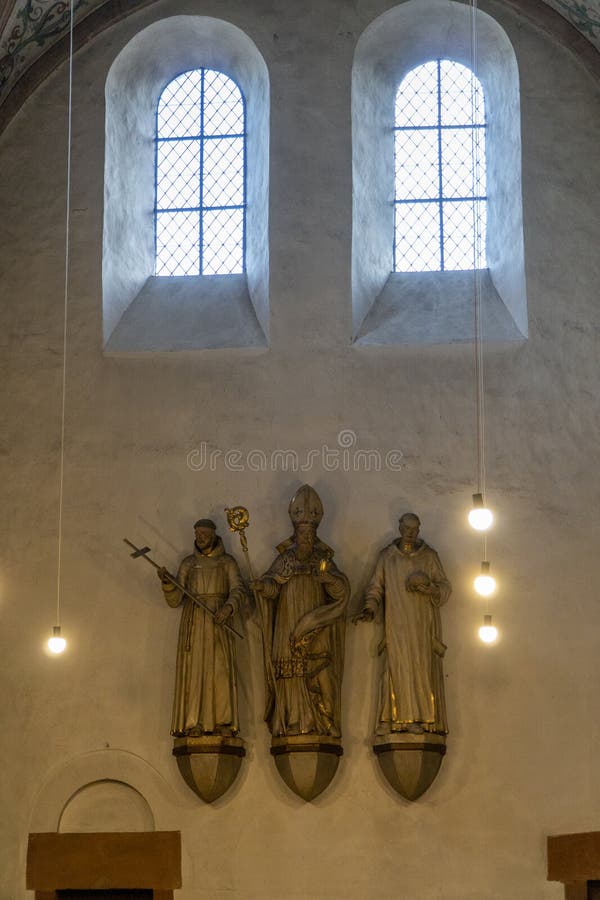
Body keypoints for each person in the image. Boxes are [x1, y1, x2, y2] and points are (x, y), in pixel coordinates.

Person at [252, 485, 350, 738]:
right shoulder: (284, 560)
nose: (306, 539)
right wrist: (262, 586)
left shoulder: (322, 560)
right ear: (295, 535)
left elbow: (341, 592)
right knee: (290, 673)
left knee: (319, 672)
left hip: (315, 625)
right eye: (302, 534)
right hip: (288, 621)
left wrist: (328, 578)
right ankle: (292, 721)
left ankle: (320, 722)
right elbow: (273, 588)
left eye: (310, 535)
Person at [354, 513, 451, 735]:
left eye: (415, 529)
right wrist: (369, 608)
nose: (411, 533)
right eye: (407, 528)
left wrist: (431, 589)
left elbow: (445, 586)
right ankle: (392, 719)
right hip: (396, 625)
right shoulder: (388, 557)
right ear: (400, 528)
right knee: (395, 670)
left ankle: (421, 718)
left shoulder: (429, 556)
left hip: (421, 626)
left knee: (420, 670)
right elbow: (375, 587)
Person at [158, 518, 245, 737]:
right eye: (198, 534)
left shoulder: (227, 562)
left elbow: (238, 590)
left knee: (221, 671)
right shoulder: (188, 564)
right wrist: (168, 582)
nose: (201, 538)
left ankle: (223, 722)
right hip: (195, 620)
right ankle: (193, 723)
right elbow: (176, 598)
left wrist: (228, 608)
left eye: (205, 534)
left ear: (214, 535)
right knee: (194, 671)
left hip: (219, 621)